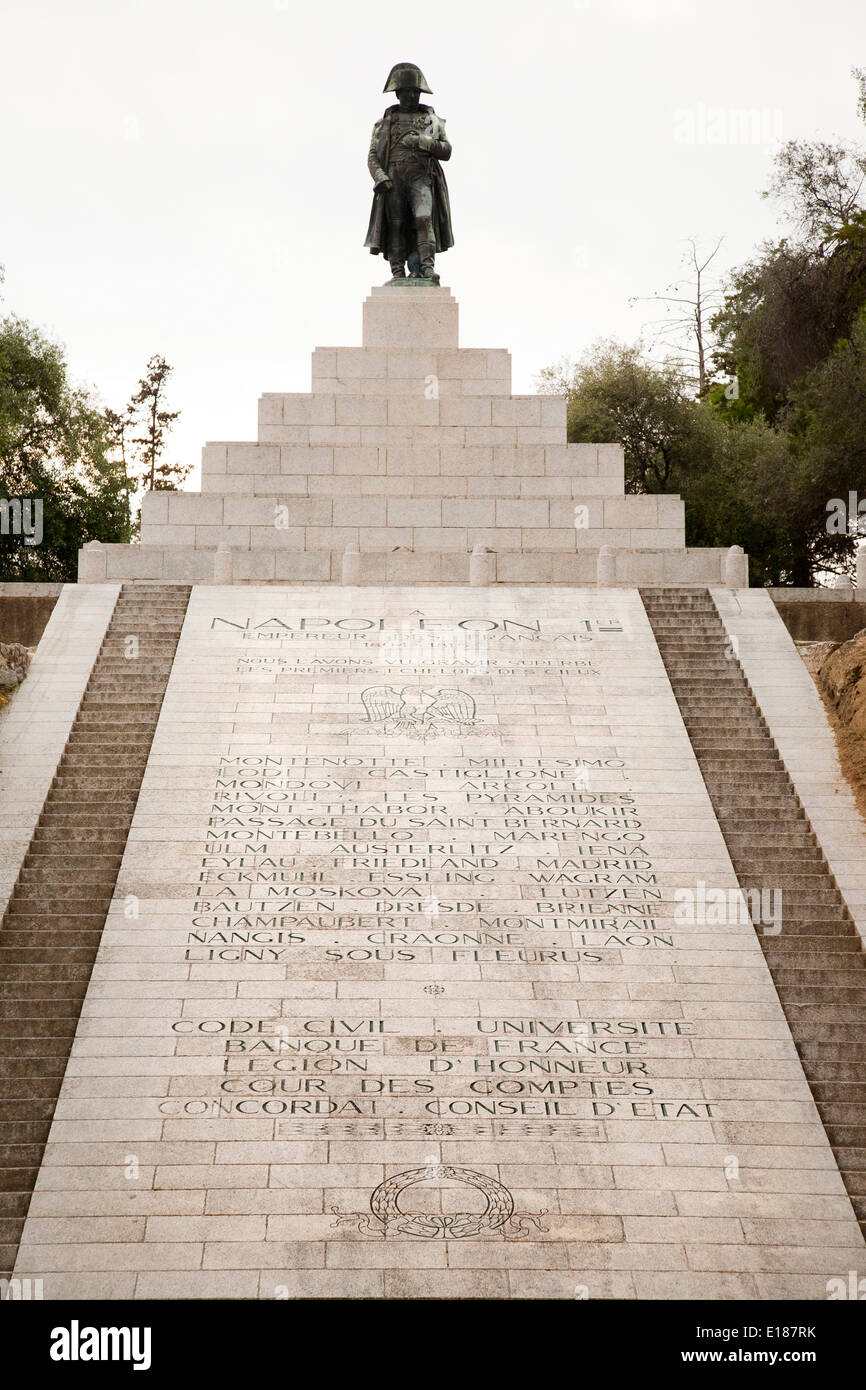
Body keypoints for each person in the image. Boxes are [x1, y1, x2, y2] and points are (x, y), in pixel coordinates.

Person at [365, 62, 454, 284]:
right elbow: (373, 156)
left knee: (424, 219)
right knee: (396, 223)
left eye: (416, 92)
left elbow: (446, 150)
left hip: (421, 177)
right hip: (394, 178)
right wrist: (380, 177)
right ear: (398, 94)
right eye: (408, 92)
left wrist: (422, 141)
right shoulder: (383, 124)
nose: (413, 96)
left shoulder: (431, 121)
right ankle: (397, 272)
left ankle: (426, 269)